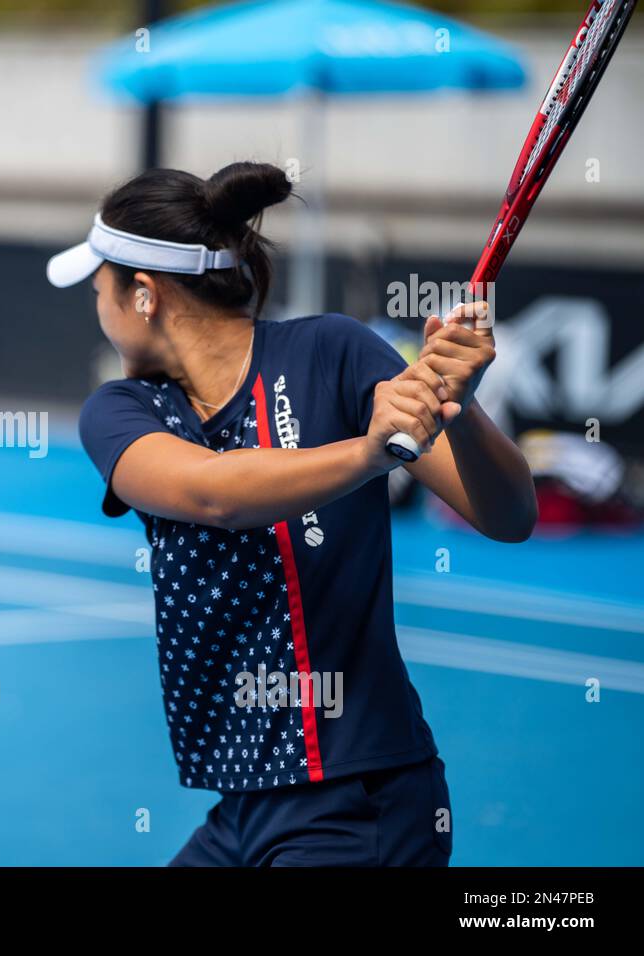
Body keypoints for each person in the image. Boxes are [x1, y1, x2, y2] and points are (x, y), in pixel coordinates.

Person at [48, 162, 537, 866]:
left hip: (360, 799)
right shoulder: (123, 410)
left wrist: (460, 412)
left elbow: (508, 515)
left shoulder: (334, 351)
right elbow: (213, 493)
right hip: (245, 809)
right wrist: (368, 453)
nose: (96, 303)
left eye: (100, 289)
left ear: (144, 296)